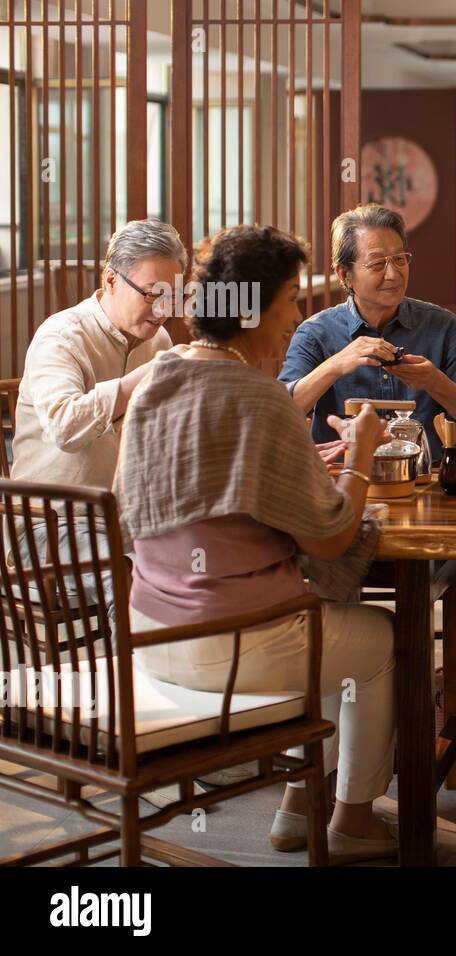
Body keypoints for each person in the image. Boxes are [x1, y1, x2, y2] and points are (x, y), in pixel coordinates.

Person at [114, 224, 399, 863]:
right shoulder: (263, 398)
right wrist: (357, 456)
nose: (298, 315)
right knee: (378, 639)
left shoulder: (156, 380)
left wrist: (295, 467)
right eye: (292, 300)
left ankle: (300, 800)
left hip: (148, 637)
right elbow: (329, 540)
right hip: (232, 651)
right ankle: (352, 818)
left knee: (330, 629)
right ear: (253, 310)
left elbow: (175, 492)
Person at [279, 203, 456, 658]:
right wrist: (336, 365)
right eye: (377, 263)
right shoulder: (317, 333)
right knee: (326, 558)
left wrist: (434, 382)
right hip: (346, 497)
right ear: (345, 274)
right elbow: (280, 411)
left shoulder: (441, 327)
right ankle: (350, 669)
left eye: (400, 260)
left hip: (432, 495)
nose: (393, 273)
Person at [7, 218, 186, 646]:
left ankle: (187, 681)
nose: (163, 310)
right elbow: (66, 426)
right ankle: (131, 697)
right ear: (110, 279)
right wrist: (141, 379)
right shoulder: (61, 336)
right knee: (125, 570)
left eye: (172, 297)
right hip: (46, 521)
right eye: (152, 294)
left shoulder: (155, 340)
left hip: (118, 516)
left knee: (211, 547)